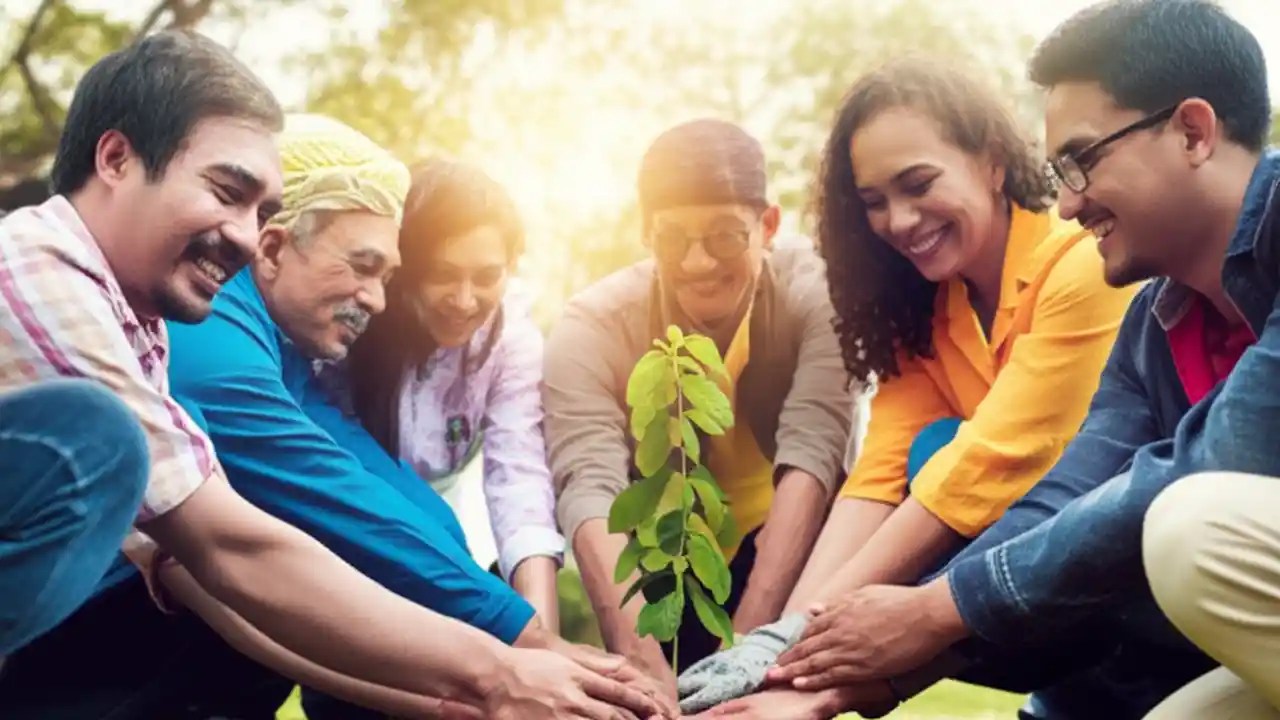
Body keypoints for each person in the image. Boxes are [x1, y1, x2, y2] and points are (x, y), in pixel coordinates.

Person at [0, 32, 666, 720]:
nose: (244, 235)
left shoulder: (140, 334)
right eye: (226, 192)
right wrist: (504, 666)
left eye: (259, 211)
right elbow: (234, 543)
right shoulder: (38, 268)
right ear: (116, 159)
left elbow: (206, 578)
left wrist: (467, 699)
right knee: (99, 441)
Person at [700, 2, 1278, 718]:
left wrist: (928, 617)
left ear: (1193, 131)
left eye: (1083, 160)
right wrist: (809, 668)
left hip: (1182, 570)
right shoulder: (1152, 327)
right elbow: (1064, 497)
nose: (1067, 203)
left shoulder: (1087, 272)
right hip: (1198, 614)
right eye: (874, 201)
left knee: (1190, 522)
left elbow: (1206, 464)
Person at [675, 57, 1140, 713]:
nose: (898, 219)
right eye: (873, 203)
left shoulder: (1078, 264)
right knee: (925, 453)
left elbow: (989, 463)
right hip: (1027, 587)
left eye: (918, 184)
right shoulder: (927, 309)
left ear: (992, 161)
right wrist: (773, 640)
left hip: (1118, 568)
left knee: (946, 454)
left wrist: (797, 639)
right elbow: (878, 477)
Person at [544, 118, 859, 699]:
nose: (696, 262)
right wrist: (641, 667)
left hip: (791, 531)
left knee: (770, 698)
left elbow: (813, 449)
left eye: (724, 236)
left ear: (767, 226)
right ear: (645, 234)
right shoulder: (592, 326)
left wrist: (743, 656)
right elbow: (589, 486)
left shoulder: (820, 292)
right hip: (668, 547)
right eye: (672, 239)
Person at [337, 158, 565, 629]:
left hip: (441, 538)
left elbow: (518, 477)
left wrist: (542, 632)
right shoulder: (352, 325)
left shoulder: (512, 344)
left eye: (486, 277)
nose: (464, 301)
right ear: (406, 268)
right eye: (443, 274)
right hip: (343, 536)